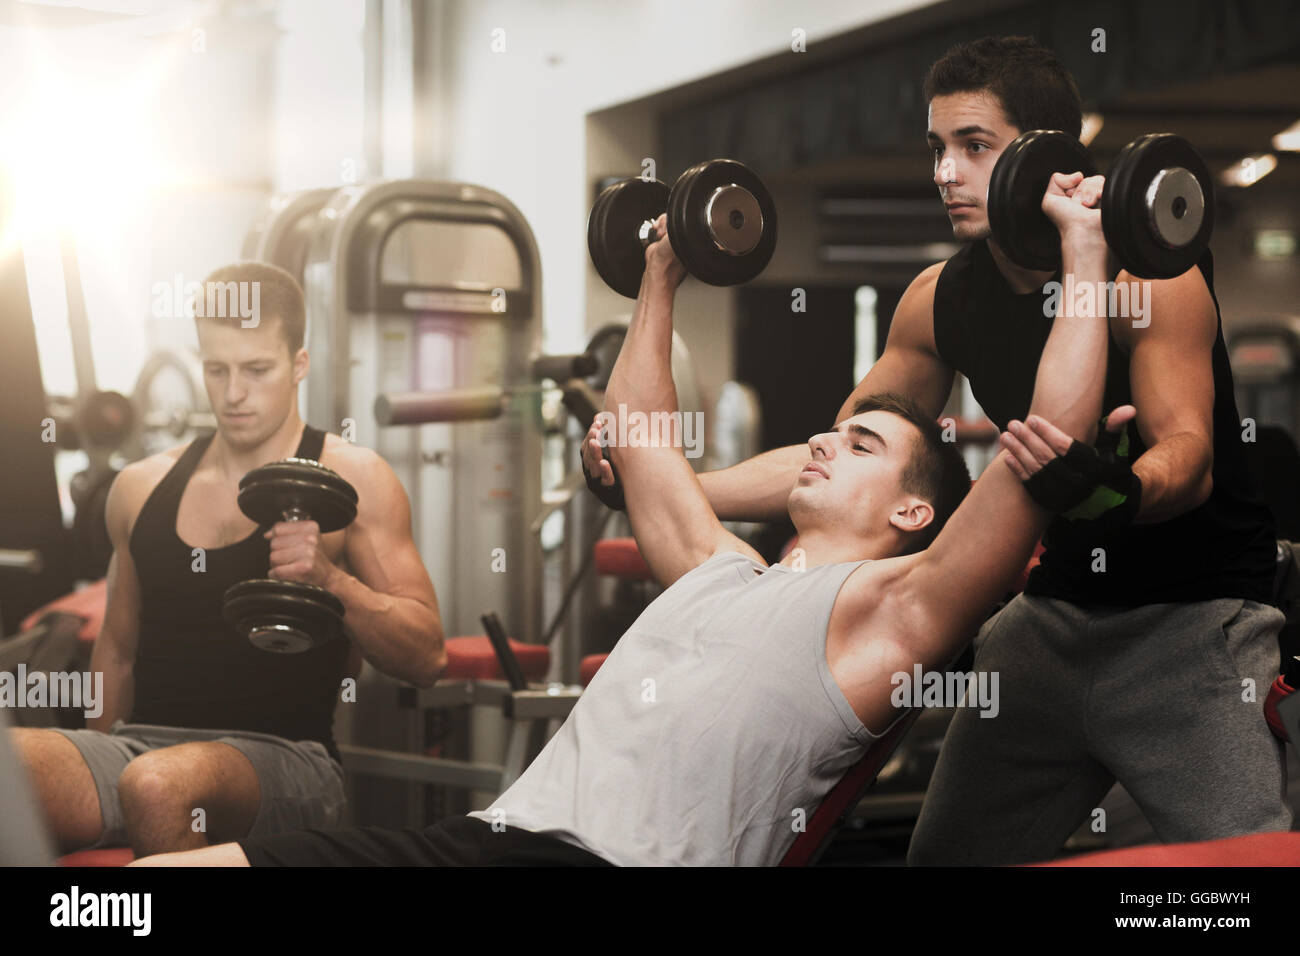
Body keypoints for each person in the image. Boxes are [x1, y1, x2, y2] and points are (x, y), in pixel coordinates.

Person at [134, 162, 1112, 866]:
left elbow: (1047, 447)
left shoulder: (894, 609)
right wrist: (660, 274)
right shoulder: (719, 566)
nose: (823, 439)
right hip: (485, 841)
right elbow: (644, 431)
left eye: (858, 445)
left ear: (912, 509)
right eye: (830, 432)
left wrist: (1081, 244)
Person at [586, 36, 1291, 865]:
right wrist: (661, 478)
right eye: (938, 148)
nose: (944, 173)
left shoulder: (1149, 280)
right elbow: (839, 457)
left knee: (1246, 882)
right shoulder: (936, 301)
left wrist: (1112, 490)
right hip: (1051, 622)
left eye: (974, 147)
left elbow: (1189, 457)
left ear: (1043, 157)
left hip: (1193, 622)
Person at [11, 262, 445, 857]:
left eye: (257, 370)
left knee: (160, 784)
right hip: (141, 751)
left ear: (299, 365)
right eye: (217, 370)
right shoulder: (140, 487)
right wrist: (95, 775)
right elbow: (117, 649)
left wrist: (329, 579)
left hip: (289, 760)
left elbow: (427, 654)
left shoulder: (355, 477)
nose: (233, 392)